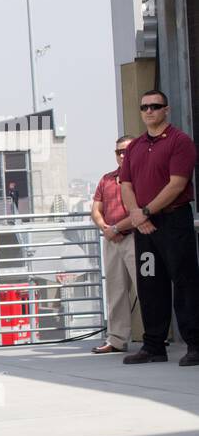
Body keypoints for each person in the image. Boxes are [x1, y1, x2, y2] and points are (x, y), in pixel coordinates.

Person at [112, 90, 199, 366]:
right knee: (150, 285)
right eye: (144, 107)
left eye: (155, 106)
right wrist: (138, 216)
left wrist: (147, 211)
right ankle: (153, 347)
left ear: (166, 109)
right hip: (145, 227)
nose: (149, 111)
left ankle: (195, 345)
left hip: (174, 222)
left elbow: (176, 184)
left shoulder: (180, 142)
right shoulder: (135, 147)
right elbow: (125, 185)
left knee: (184, 283)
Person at [91, 136, 139, 354]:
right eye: (119, 151)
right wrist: (106, 229)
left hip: (135, 237)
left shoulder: (142, 177)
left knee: (146, 289)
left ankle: (155, 338)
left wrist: (117, 228)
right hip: (112, 240)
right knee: (115, 291)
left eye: (126, 151)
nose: (122, 155)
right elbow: (96, 210)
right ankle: (117, 340)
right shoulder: (107, 179)